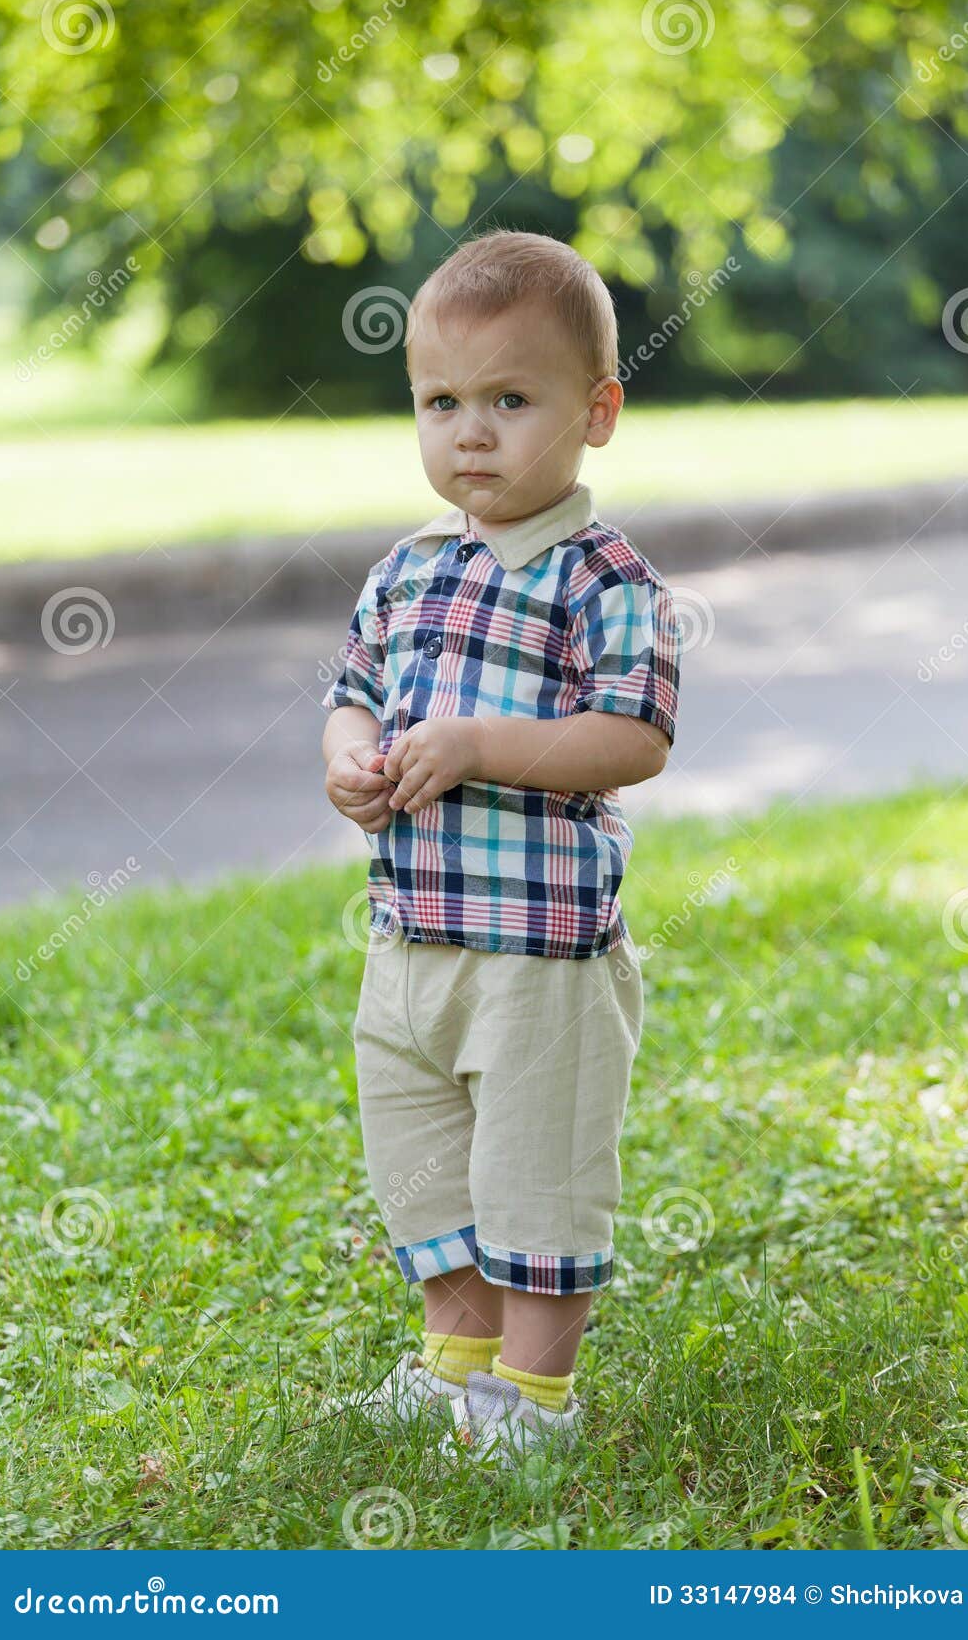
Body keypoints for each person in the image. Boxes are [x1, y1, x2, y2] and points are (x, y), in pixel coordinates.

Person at [321, 228, 682, 1466]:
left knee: (536, 1176)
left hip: (539, 957)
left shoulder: (603, 578)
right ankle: (456, 1368)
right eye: (441, 402)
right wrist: (347, 756)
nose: (469, 433)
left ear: (597, 412)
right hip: (409, 945)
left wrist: (478, 744)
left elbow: (632, 736)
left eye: (509, 401)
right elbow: (350, 693)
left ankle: (535, 1400)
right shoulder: (406, 568)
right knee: (423, 1169)